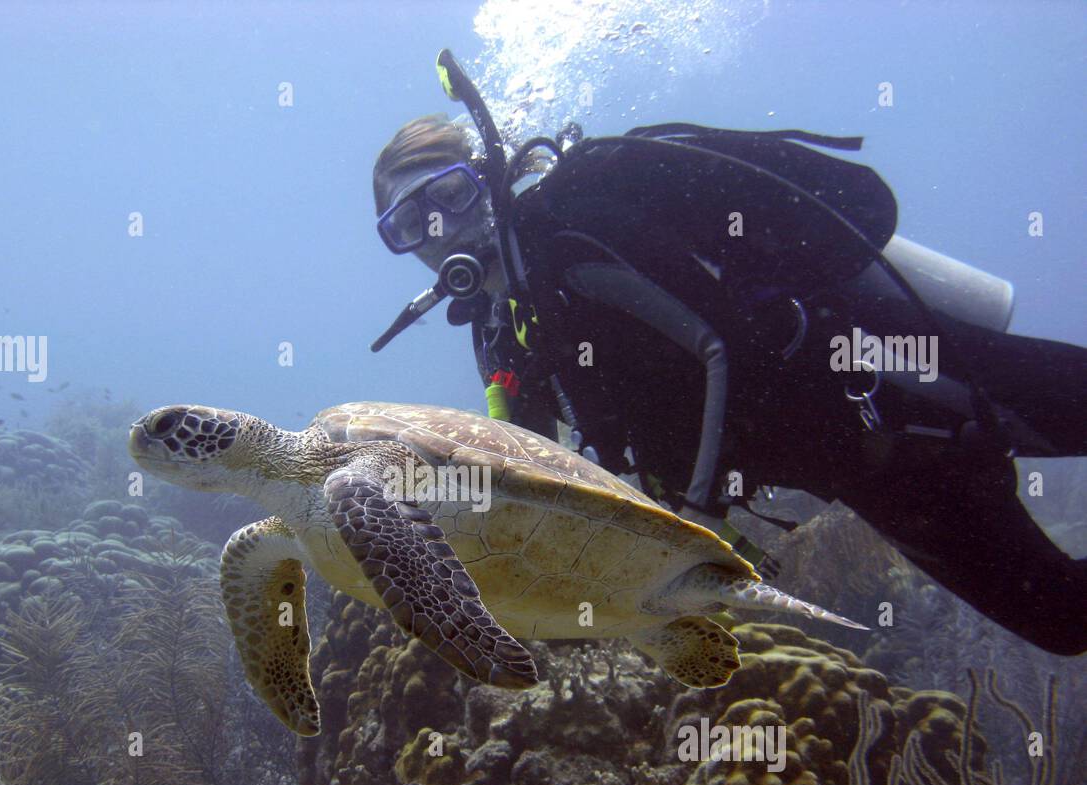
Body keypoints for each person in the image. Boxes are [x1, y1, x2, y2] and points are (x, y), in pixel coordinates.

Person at [369, 51, 1087, 657]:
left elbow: (718, 346)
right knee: (1061, 617)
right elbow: (538, 464)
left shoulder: (567, 238)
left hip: (885, 376)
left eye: (450, 197)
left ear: (487, 179)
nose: (437, 230)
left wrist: (698, 517)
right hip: (860, 467)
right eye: (407, 223)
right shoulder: (500, 330)